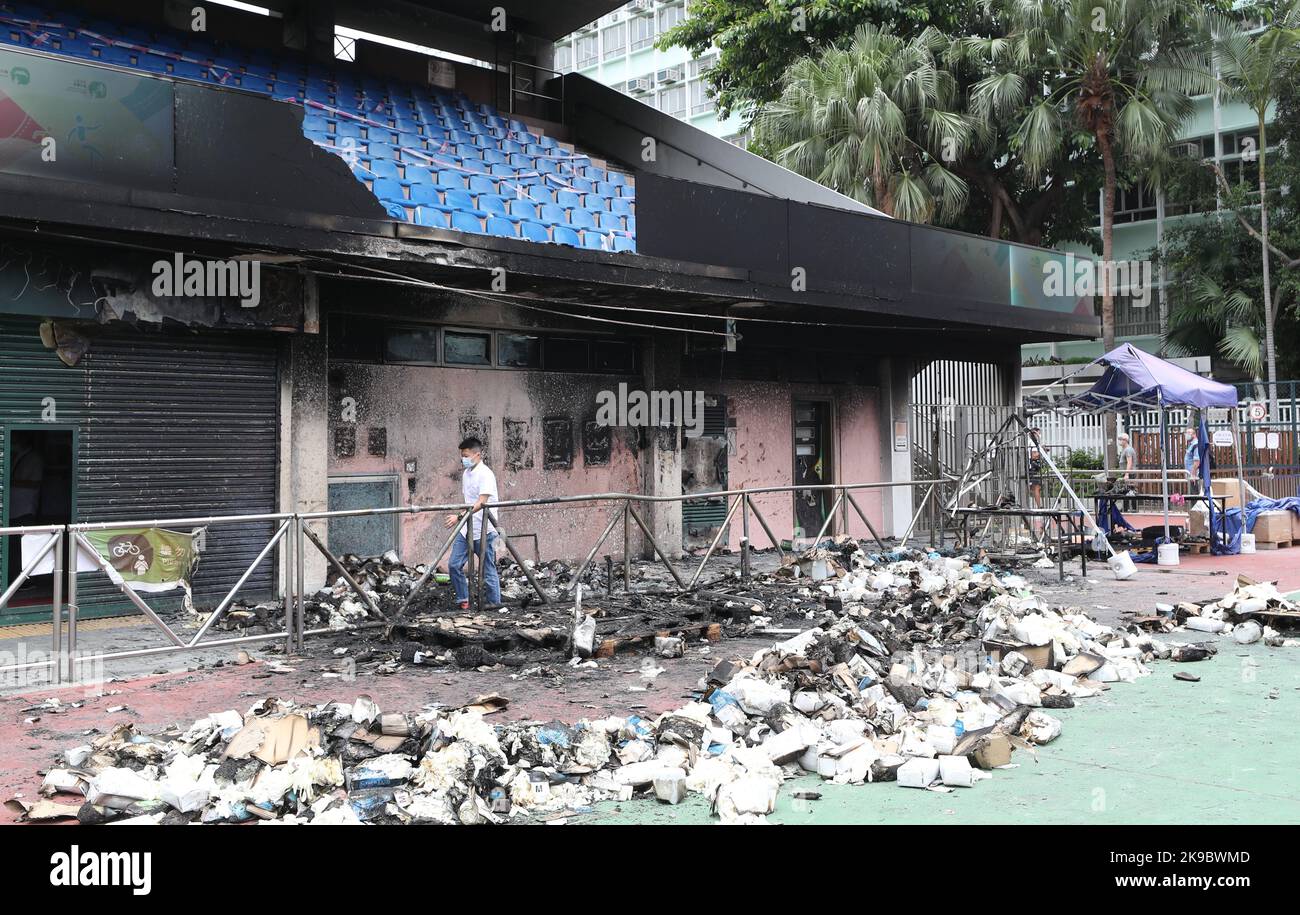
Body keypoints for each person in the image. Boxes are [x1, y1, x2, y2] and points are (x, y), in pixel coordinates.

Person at [443, 437, 501, 610]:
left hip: (485, 529)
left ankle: (494, 605)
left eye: (466, 455)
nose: (463, 459)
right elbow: (469, 501)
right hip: (467, 528)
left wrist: (458, 517)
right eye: (462, 455)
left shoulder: (486, 474)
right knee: (454, 564)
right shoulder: (466, 474)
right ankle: (464, 599)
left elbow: (481, 502)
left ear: (477, 454)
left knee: (487, 569)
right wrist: (463, 518)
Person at [1117, 433, 1137, 513]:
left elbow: (1129, 462)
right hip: (1127, 473)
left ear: (1125, 440)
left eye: (1121, 439)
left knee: (1129, 490)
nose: (1120, 441)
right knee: (1127, 490)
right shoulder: (1125, 449)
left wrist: (1127, 474)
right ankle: (1127, 508)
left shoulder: (1128, 450)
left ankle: (1131, 508)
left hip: (1129, 473)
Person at [1182, 427, 1201, 495]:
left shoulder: (1196, 445)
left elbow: (1197, 461)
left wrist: (1193, 474)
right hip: (1191, 474)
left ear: (1194, 434)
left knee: (1195, 494)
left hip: (1194, 476)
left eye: (1189, 433)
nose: (1187, 435)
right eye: (1186, 433)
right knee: (1192, 493)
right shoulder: (1191, 444)